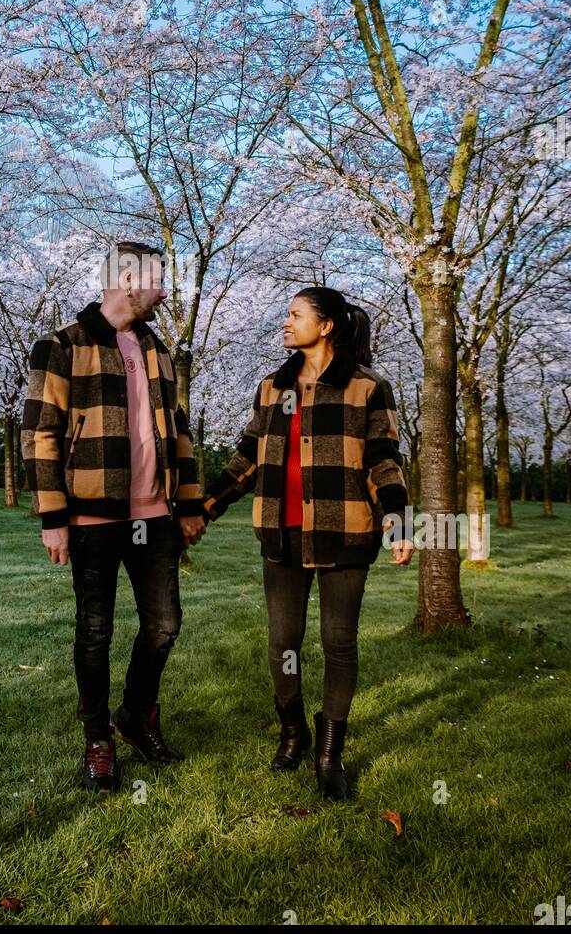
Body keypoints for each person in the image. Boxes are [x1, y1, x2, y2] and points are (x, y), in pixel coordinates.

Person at [202, 286, 413, 801]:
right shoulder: (272, 387)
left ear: (326, 326)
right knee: (284, 643)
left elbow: (383, 457)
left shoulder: (367, 388)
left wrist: (398, 519)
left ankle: (330, 754)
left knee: (339, 644)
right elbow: (247, 458)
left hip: (347, 534)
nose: (285, 322)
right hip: (282, 533)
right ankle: (293, 731)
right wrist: (205, 506)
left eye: (295, 315)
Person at [21, 241, 206, 793]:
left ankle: (137, 713)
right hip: (91, 517)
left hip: (158, 515)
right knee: (95, 630)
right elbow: (39, 434)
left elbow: (179, 432)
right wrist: (53, 515)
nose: (165, 292)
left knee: (165, 626)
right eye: (157, 281)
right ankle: (98, 739)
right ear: (127, 279)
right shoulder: (62, 346)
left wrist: (190, 503)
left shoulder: (158, 351)